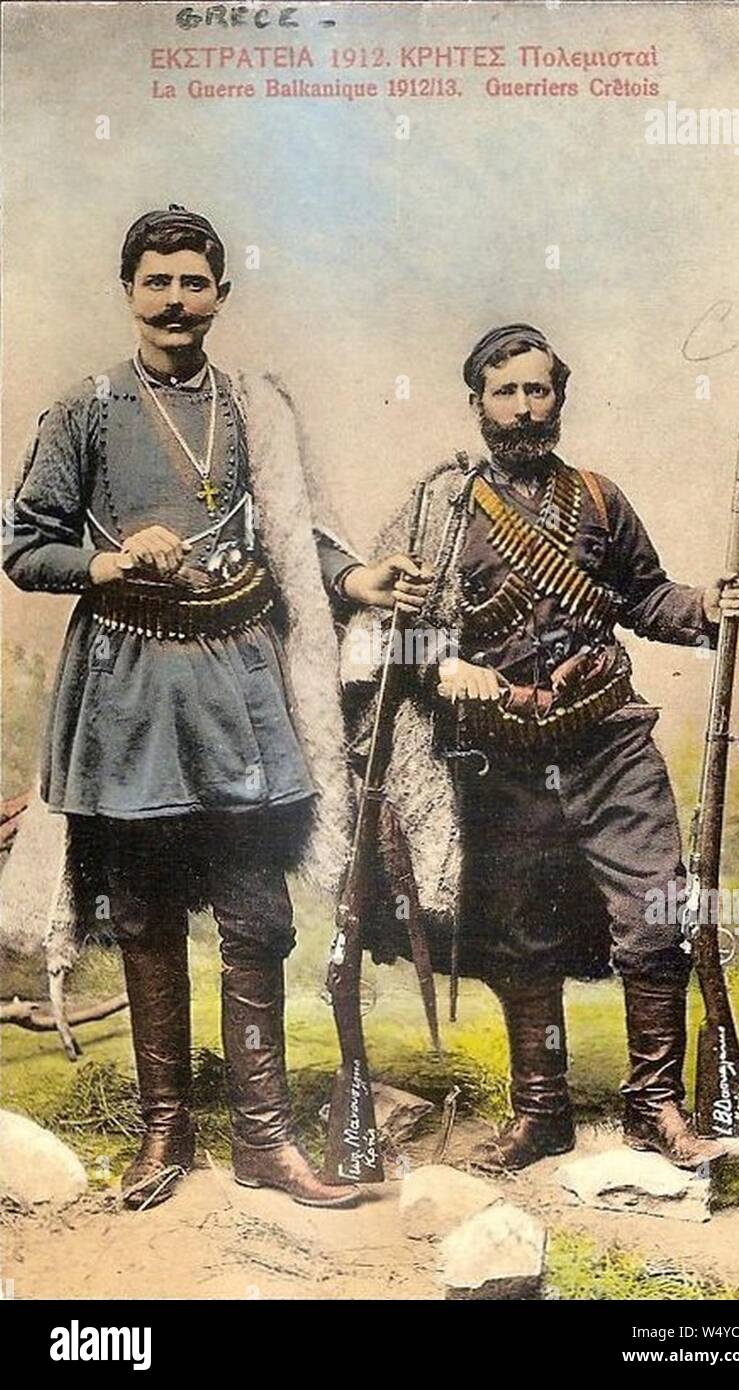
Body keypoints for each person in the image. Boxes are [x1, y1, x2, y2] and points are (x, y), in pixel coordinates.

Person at [2, 205, 427, 1211]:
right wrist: (105, 557)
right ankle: (165, 1135)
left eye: (196, 283)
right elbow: (23, 546)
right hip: (133, 690)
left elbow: (294, 536)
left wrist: (357, 578)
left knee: (254, 910)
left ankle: (266, 1140)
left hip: (241, 686)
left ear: (221, 297)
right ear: (131, 291)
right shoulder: (88, 410)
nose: (177, 301)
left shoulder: (253, 409)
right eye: (159, 281)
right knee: (146, 912)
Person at [342, 322, 739, 1172]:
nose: (525, 410)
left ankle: (656, 1108)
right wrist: (445, 665)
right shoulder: (441, 512)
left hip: (609, 744)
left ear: (558, 399)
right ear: (477, 404)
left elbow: (646, 599)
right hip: (498, 762)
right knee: (519, 938)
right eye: (507, 393)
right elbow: (380, 643)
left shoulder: (600, 498)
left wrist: (707, 606)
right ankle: (541, 1113)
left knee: (656, 916)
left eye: (539, 392)